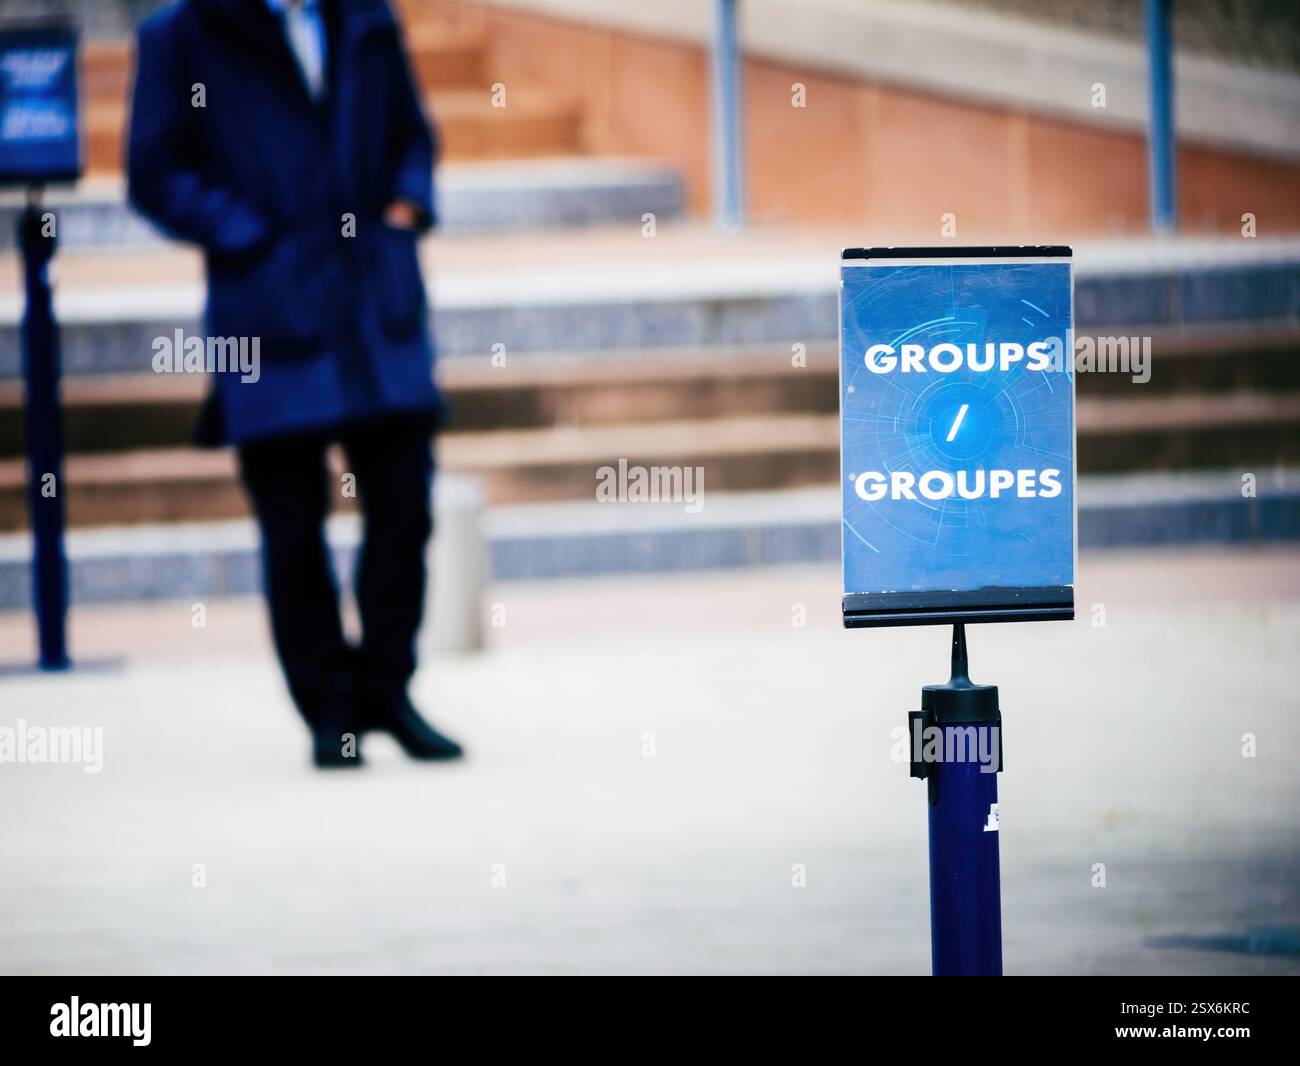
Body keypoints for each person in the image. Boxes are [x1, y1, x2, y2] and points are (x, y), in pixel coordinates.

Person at [127, 0, 463, 768]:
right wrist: (248, 237)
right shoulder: (183, 35)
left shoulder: (364, 17)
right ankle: (329, 714)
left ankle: (386, 689)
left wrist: (407, 206)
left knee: (406, 503)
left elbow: (412, 131)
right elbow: (154, 170)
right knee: (291, 527)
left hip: (378, 305)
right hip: (266, 312)